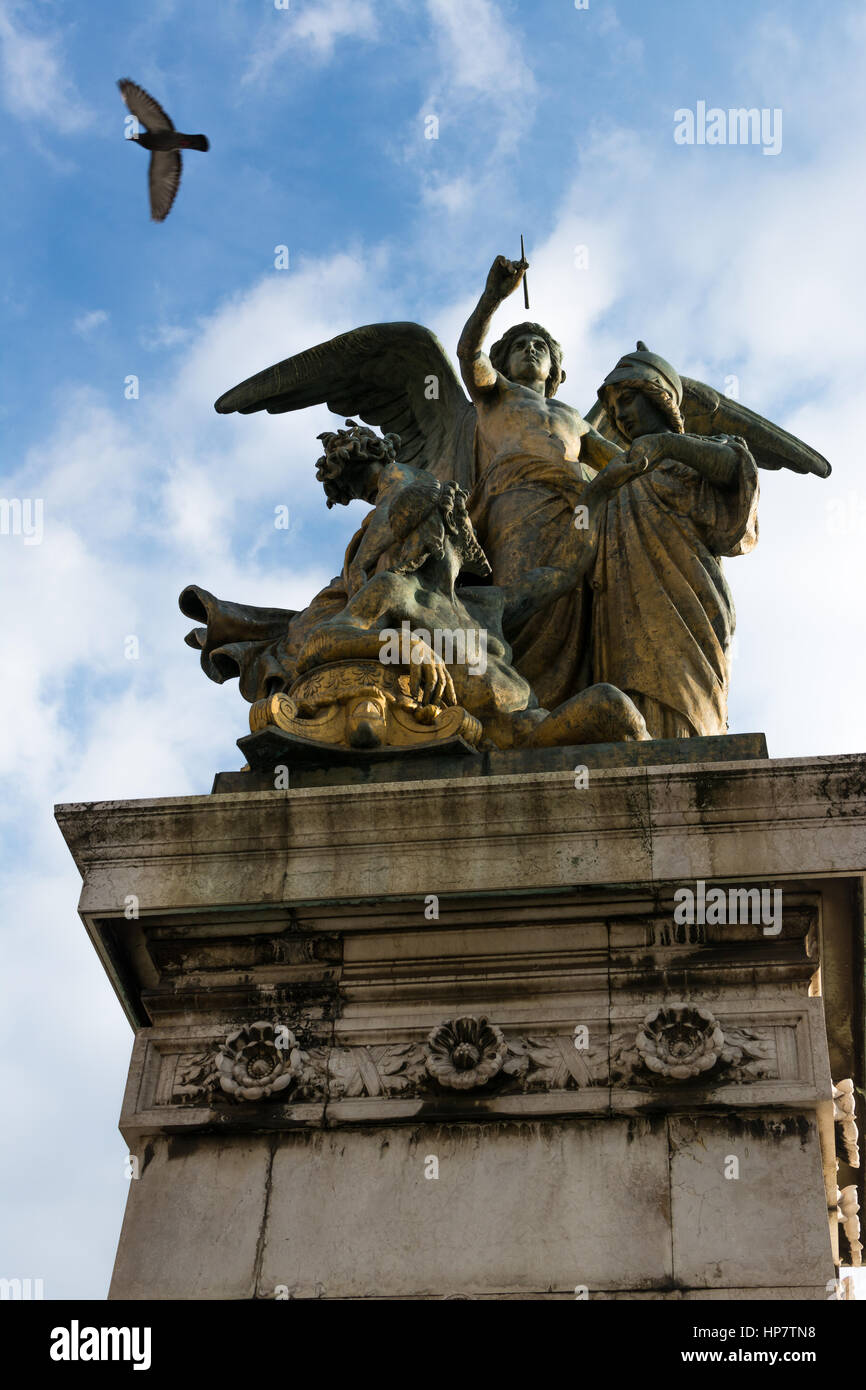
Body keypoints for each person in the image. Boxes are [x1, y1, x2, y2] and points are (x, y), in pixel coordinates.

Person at [295, 456, 651, 751]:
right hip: (493, 737)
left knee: (615, 714)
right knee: (612, 706)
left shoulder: (484, 603)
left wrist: (598, 492)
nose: (472, 525)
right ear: (445, 524)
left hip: (536, 723)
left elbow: (564, 571)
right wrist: (403, 644)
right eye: (463, 516)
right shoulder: (396, 590)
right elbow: (322, 640)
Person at [457, 253, 620, 709]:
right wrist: (492, 298)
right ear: (503, 362)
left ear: (556, 371)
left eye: (541, 347)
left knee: (570, 601)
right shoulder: (493, 396)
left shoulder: (575, 421)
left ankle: (560, 708)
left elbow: (628, 464)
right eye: (520, 344)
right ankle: (506, 703)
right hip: (514, 502)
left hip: (576, 508)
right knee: (517, 597)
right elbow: (467, 353)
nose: (531, 349)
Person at [591, 342, 759, 738]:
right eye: (614, 410)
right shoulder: (622, 471)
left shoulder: (703, 451)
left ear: (660, 397)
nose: (621, 415)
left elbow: (738, 470)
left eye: (628, 399)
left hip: (691, 602)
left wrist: (666, 445)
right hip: (624, 606)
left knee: (691, 700)